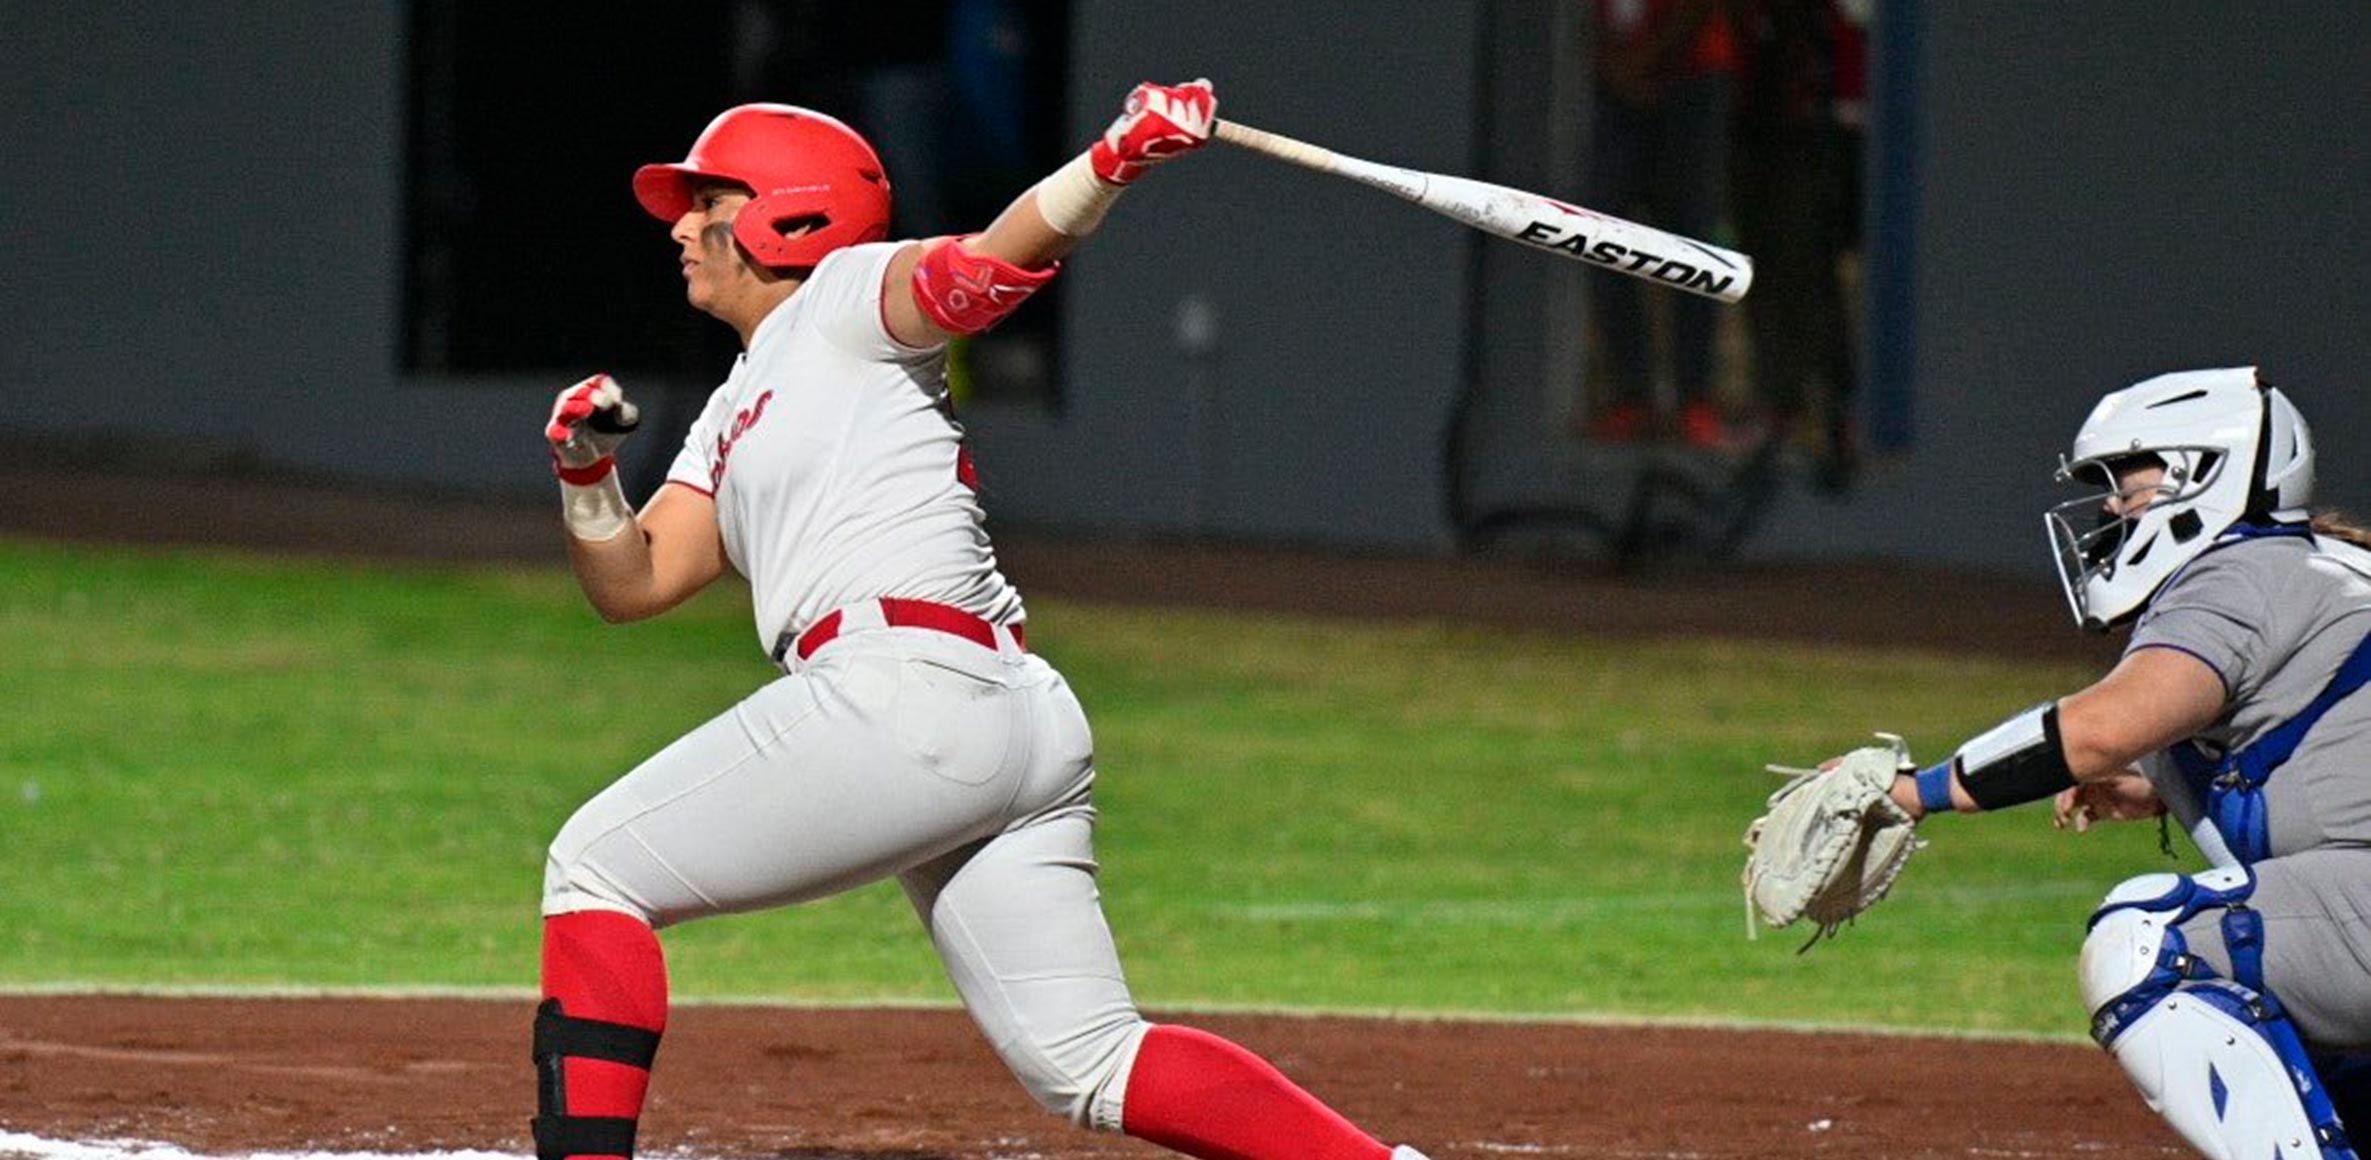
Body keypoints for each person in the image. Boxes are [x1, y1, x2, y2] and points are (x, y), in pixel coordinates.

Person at [531, 81, 1437, 1160]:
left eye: (707, 198)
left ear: (790, 213)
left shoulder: (848, 295)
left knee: (594, 868)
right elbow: (634, 583)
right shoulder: (738, 402)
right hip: (1002, 714)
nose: (680, 225)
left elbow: (979, 271)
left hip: (902, 696)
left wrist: (1111, 161)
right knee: (1090, 1060)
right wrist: (588, 475)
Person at [1852, 368, 2370, 1160]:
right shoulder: (2315, 566)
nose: (2108, 510)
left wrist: (1911, 791)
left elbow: (2099, 728)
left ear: (2201, 476)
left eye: (2126, 486)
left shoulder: (2235, 573)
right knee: (2310, 1058)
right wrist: (2157, 787)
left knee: (2148, 939)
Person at [1580, 0, 1744, 450]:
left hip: (1690, 73)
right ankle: (1633, 397)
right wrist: (1611, 64)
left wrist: (1645, 61)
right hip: (1615, 79)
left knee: (1691, 238)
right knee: (1600, 234)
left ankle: (1695, 398)